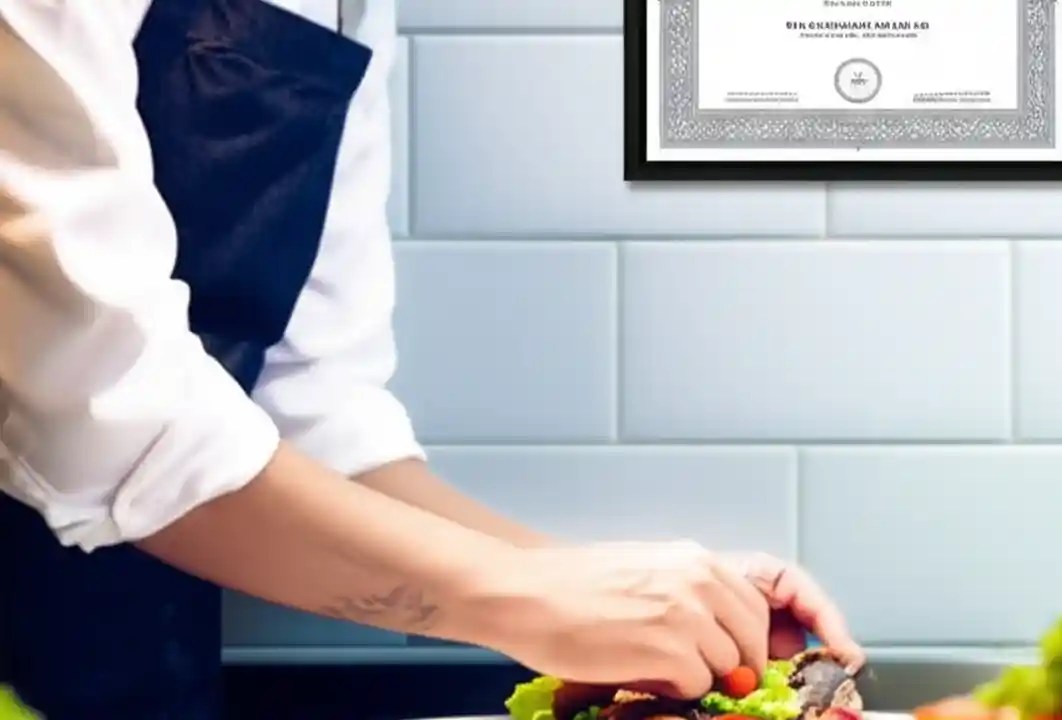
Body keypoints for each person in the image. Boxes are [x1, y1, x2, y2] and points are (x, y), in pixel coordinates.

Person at [0, 0, 864, 718]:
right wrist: (530, 598)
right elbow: (90, 402)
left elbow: (311, 415)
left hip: (131, 644)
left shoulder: (359, 12)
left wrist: (629, 602)